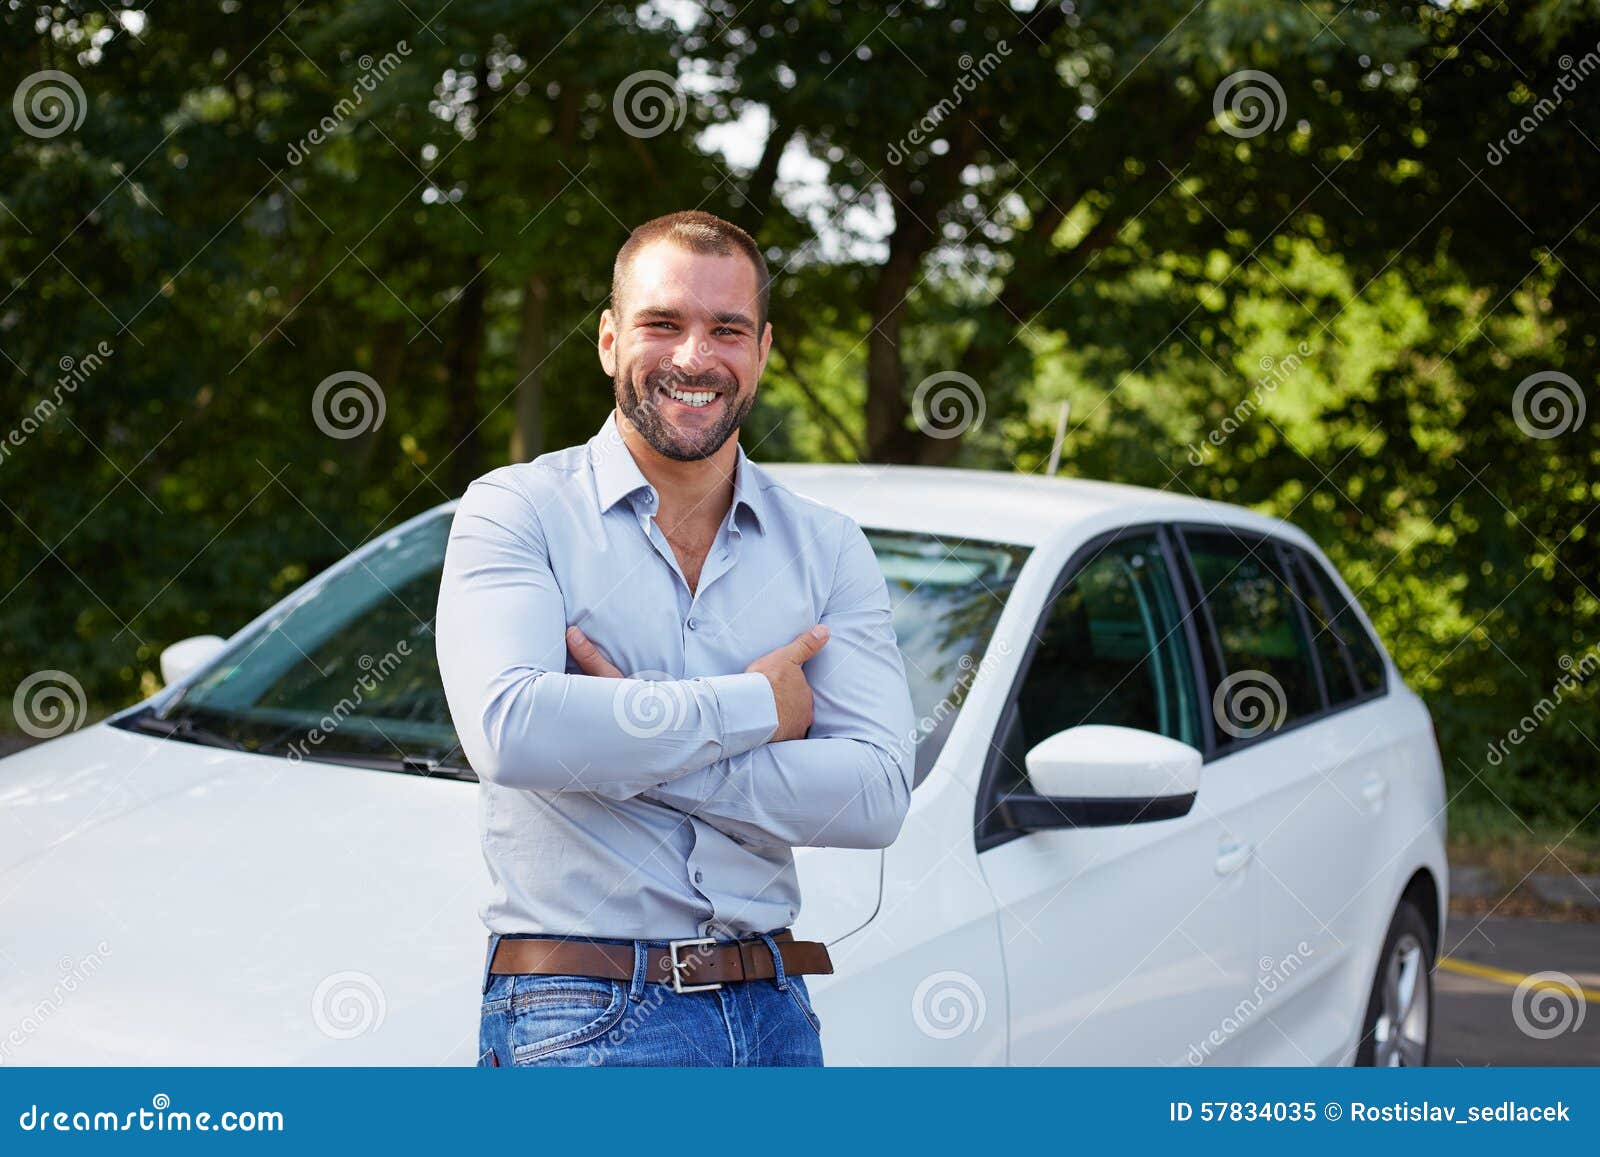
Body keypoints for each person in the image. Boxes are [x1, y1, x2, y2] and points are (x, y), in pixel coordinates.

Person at [436, 210, 916, 1067]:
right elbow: (510, 730)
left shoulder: (829, 545)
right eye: (664, 323)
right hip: (580, 1010)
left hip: (776, 1009)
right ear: (610, 339)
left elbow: (876, 793)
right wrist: (756, 706)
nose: (695, 357)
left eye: (726, 329)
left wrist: (626, 736)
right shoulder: (517, 510)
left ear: (762, 350)